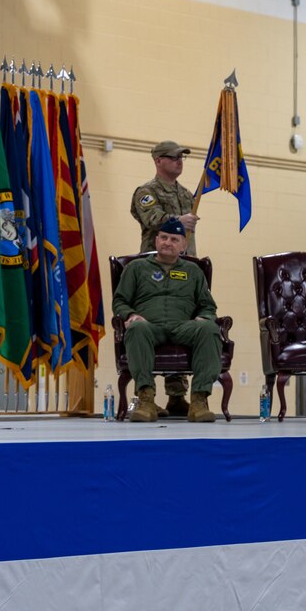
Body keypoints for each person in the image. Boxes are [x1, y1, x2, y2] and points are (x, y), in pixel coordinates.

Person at [113, 217, 222, 423]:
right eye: (163, 237)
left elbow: (208, 305)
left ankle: (199, 401)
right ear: (156, 240)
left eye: (174, 239)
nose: (167, 243)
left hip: (182, 326)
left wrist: (204, 317)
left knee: (209, 329)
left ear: (183, 245)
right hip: (148, 326)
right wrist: (130, 315)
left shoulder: (193, 271)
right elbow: (120, 301)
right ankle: (146, 400)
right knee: (136, 328)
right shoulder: (136, 268)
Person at [129, 140, 200, 415]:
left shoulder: (186, 193)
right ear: (158, 160)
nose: (179, 161)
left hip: (186, 265)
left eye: (182, 157)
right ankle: (147, 396)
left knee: (183, 323)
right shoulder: (146, 191)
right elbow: (151, 219)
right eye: (173, 157)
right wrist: (178, 221)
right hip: (155, 267)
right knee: (156, 322)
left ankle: (177, 394)